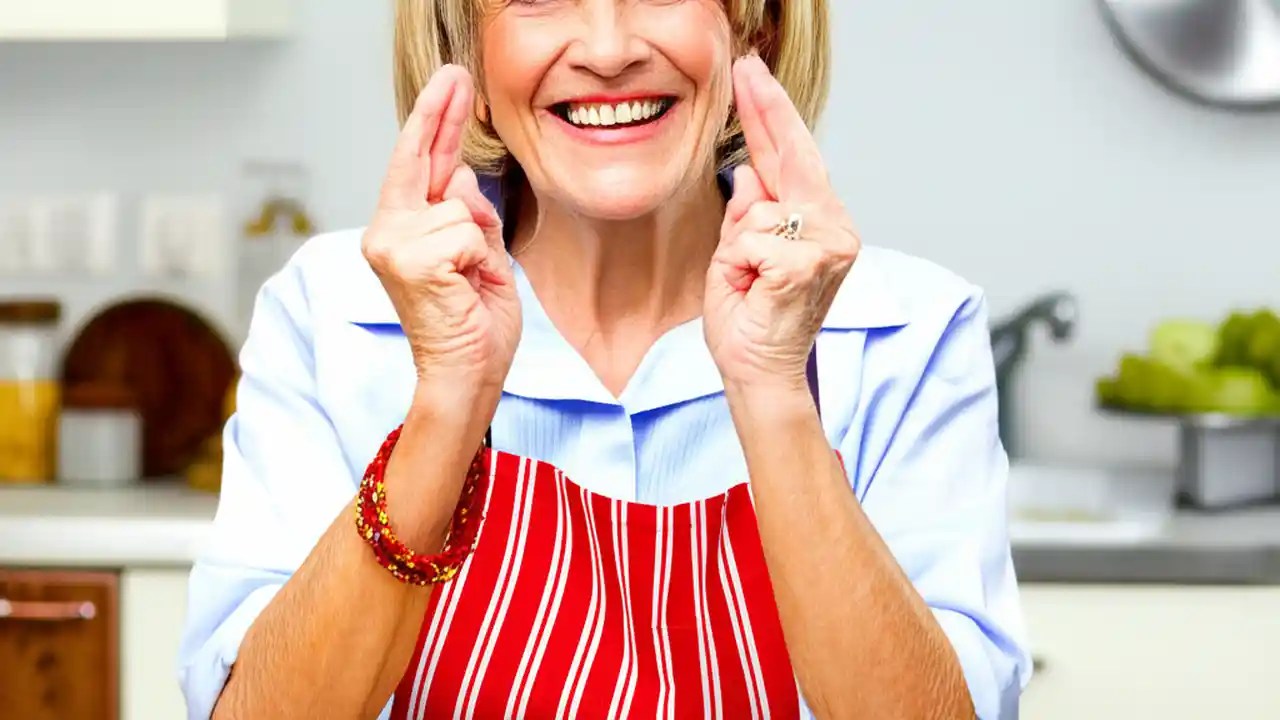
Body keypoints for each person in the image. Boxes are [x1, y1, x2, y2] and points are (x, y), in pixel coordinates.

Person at [177, 0, 1032, 718]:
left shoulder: (907, 333)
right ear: (466, 52)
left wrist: (772, 388)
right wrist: (447, 398)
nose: (611, 49)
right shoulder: (335, 315)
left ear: (755, 31)